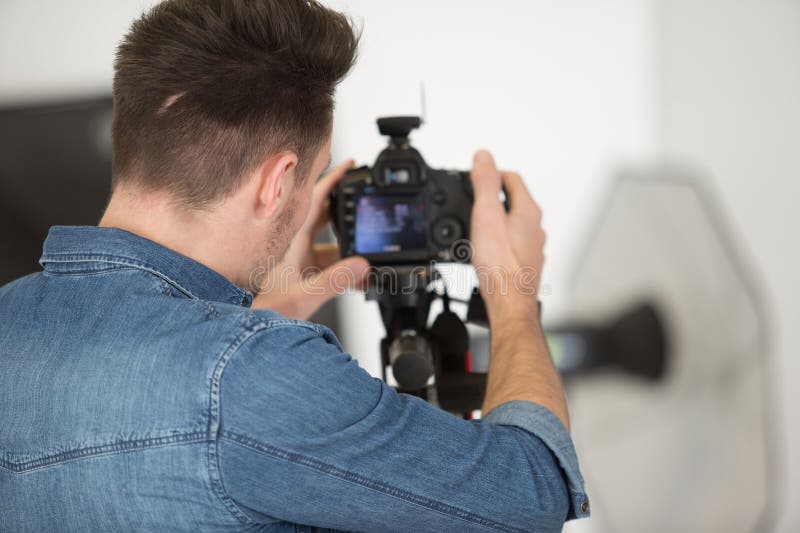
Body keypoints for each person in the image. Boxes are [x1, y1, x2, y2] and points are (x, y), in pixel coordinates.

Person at [0, 1, 588, 531]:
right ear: (277, 181)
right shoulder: (255, 372)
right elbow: (531, 492)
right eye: (313, 176)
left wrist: (265, 312)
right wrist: (513, 293)